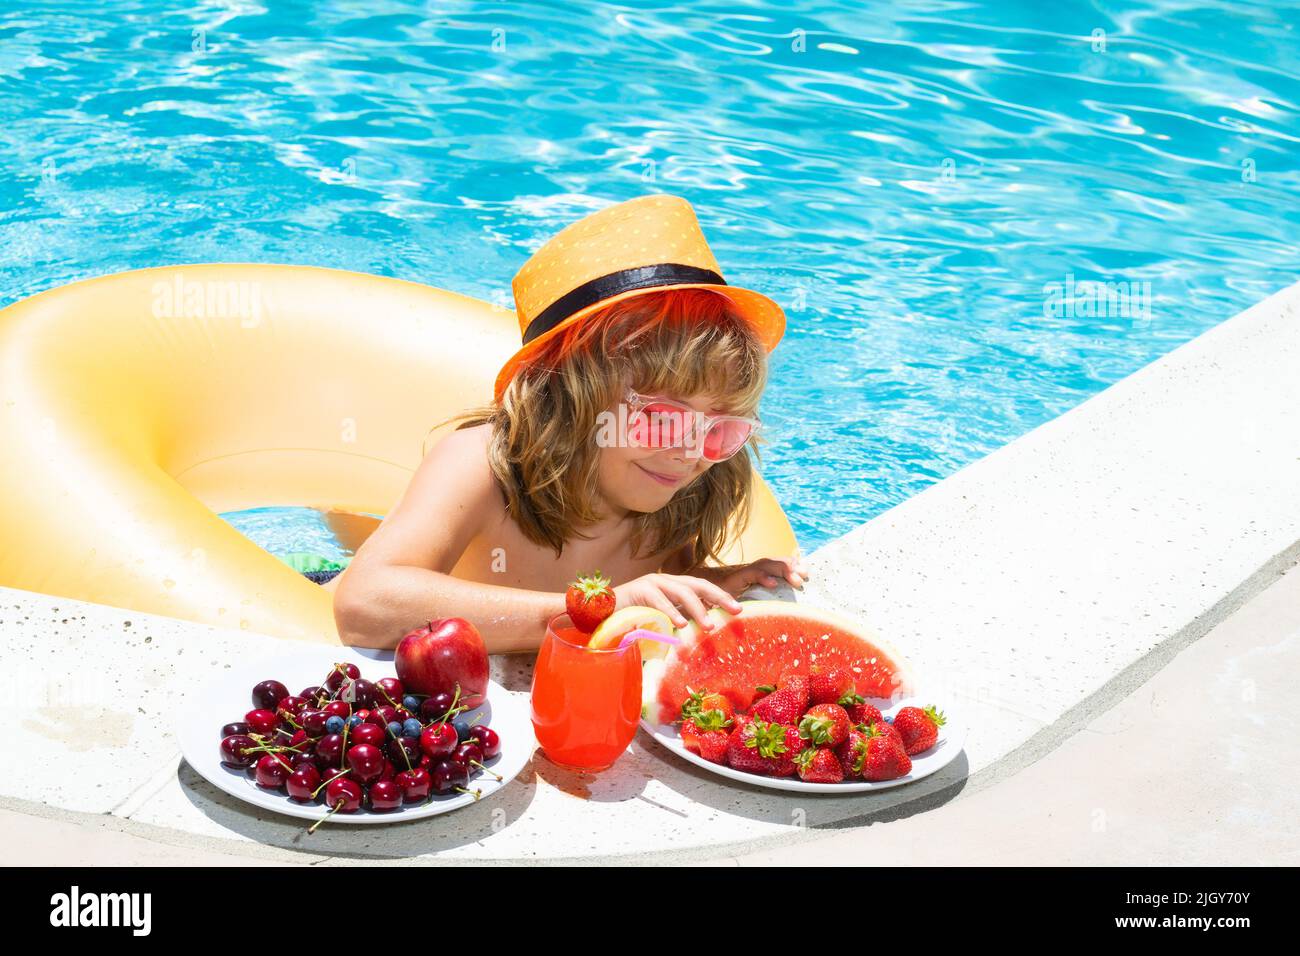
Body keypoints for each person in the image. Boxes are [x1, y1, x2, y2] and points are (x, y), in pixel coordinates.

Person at [331, 194, 808, 653]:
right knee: (341, 536)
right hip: (398, 631)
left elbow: (643, 593)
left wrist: (709, 583)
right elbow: (363, 604)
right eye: (662, 419)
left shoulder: (681, 480)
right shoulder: (482, 463)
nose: (689, 453)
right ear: (570, 395)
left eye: (719, 431)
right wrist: (587, 611)